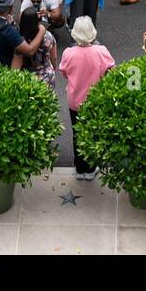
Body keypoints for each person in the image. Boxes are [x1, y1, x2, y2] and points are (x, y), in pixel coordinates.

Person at [58, 16, 114, 179]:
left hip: (75, 100)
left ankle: (80, 168)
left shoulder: (69, 53)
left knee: (77, 133)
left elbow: (63, 71)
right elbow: (111, 71)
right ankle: (90, 168)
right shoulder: (102, 51)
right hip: (94, 100)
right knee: (93, 133)